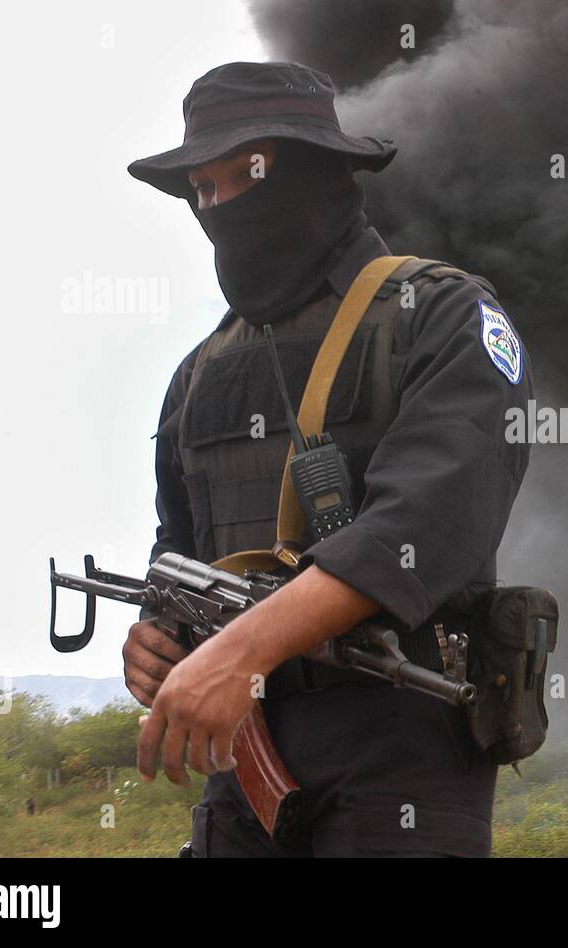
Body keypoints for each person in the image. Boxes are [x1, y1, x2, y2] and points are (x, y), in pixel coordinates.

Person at [121, 61, 532, 856]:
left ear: (316, 170)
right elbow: (178, 545)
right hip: (240, 762)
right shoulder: (200, 371)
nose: (217, 205)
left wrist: (243, 648)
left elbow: (427, 520)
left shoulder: (442, 314)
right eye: (200, 189)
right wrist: (157, 635)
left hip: (399, 744)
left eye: (244, 175)